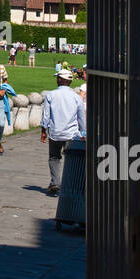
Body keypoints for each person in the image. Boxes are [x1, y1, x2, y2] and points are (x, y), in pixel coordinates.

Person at [40, 67, 86, 196]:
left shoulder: (51, 95)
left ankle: (55, 182)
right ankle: (69, 183)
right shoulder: (76, 98)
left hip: (55, 132)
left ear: (60, 80)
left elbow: (46, 116)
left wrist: (43, 131)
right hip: (71, 133)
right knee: (69, 158)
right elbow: (81, 118)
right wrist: (83, 134)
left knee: (54, 157)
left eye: (57, 78)